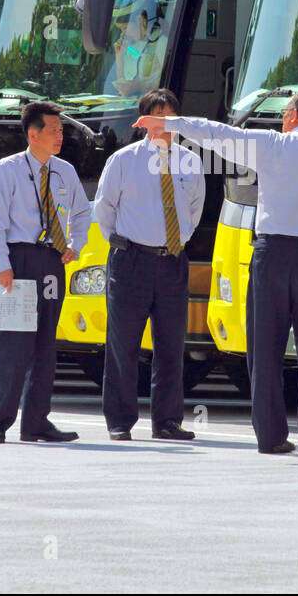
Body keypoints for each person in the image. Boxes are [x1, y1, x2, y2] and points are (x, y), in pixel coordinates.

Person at [134, 90, 298, 456]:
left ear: (291, 115)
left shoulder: (272, 144)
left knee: (265, 348)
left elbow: (216, 134)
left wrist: (169, 124)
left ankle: (271, 437)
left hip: (272, 255)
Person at [94, 88, 205, 442]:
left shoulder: (190, 161)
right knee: (123, 345)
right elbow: (104, 210)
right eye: (158, 119)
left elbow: (194, 209)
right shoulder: (123, 160)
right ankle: (120, 421)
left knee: (171, 347)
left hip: (172, 262)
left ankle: (167, 421)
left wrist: (177, 241)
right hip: (131, 261)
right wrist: (125, 245)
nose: (164, 127)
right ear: (143, 122)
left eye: (170, 119)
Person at [0, 101, 91, 444]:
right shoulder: (8, 169)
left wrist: (77, 243)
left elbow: (83, 212)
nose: (61, 136)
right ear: (34, 134)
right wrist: (2, 266)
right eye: (54, 130)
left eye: (61, 130)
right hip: (19, 259)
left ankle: (36, 423)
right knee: (14, 343)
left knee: (45, 344)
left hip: (51, 261)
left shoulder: (65, 171)